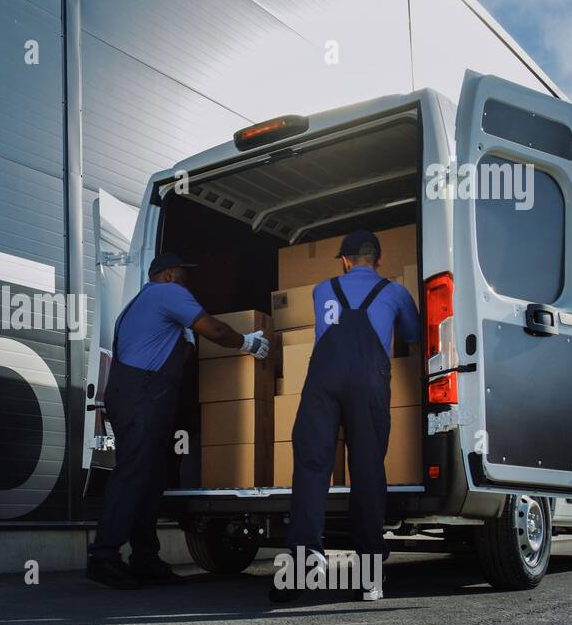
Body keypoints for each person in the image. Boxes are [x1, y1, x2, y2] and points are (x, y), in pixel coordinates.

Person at [88, 252, 269, 589]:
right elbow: (212, 328)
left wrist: (185, 339)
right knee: (132, 474)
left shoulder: (139, 303)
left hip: (139, 393)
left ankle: (145, 558)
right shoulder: (168, 293)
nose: (189, 284)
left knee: (152, 477)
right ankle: (103, 556)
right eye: (185, 276)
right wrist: (247, 342)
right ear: (169, 274)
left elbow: (180, 354)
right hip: (141, 392)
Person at [273, 230, 420, 603]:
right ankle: (370, 576)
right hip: (369, 383)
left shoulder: (322, 289)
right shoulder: (395, 292)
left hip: (323, 381)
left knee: (311, 466)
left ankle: (304, 562)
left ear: (345, 260)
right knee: (368, 471)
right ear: (380, 260)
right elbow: (413, 332)